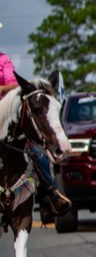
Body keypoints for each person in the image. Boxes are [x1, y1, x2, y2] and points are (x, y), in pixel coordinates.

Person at [0, 51, 71, 222]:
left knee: (37, 152)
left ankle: (50, 195)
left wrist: (1, 89)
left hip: (5, 114)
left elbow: (13, 85)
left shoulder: (3, 59)